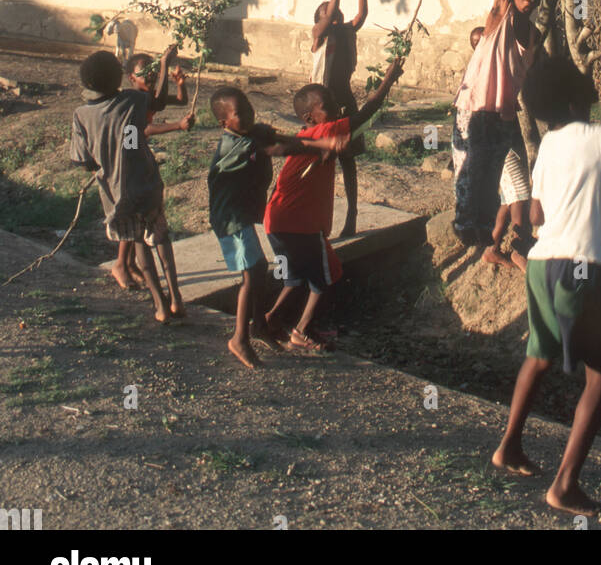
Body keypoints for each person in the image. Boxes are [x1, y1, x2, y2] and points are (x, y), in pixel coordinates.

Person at [492, 63, 601, 516]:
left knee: (539, 355)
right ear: (573, 101)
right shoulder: (600, 136)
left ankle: (509, 446)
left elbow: (534, 216)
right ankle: (564, 486)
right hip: (579, 268)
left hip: (541, 264)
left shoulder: (548, 143)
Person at [263, 56, 403, 350]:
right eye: (327, 106)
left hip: (280, 221)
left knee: (297, 278)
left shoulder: (310, 135)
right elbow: (367, 111)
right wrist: (388, 79)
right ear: (309, 118)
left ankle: (269, 320)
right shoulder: (322, 133)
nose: (337, 110)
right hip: (300, 225)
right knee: (325, 278)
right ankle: (301, 330)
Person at [208, 85, 348, 369]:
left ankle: (259, 325)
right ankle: (240, 339)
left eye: (248, 107)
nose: (248, 115)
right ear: (224, 123)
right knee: (253, 273)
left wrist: (325, 145)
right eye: (239, 113)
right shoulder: (234, 145)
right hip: (230, 217)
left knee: (259, 271)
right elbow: (280, 147)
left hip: (243, 214)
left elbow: (282, 137)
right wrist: (324, 144)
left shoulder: (252, 132)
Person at [71, 50, 178, 323]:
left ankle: (160, 305)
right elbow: (160, 102)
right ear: (121, 78)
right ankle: (177, 298)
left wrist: (104, 165)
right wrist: (164, 65)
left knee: (140, 243)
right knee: (161, 238)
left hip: (117, 195)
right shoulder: (132, 100)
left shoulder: (82, 115)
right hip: (147, 184)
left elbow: (82, 160)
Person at [452, 0, 540, 248]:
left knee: (492, 175)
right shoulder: (498, 17)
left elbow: (524, 75)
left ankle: (485, 231)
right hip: (474, 107)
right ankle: (464, 225)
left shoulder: (532, 35)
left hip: (503, 113)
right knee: (469, 168)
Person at [452, 24, 533, 271]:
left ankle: (493, 248)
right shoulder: (477, 76)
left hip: (503, 138)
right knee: (519, 191)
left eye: (482, 41)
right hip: (494, 142)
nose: (480, 45)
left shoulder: (497, 67)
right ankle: (521, 248)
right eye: (475, 43)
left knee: (510, 196)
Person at [118, 44, 195, 304]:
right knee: (134, 213)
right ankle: (121, 264)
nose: (151, 79)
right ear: (132, 79)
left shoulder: (148, 96)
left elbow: (177, 100)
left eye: (153, 74)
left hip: (137, 155)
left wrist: (180, 83)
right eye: (147, 75)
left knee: (135, 213)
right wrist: (163, 64)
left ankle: (128, 264)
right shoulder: (132, 99)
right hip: (128, 158)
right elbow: (146, 130)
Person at [310, 0, 369, 238]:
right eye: (327, 11)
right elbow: (332, 11)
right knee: (320, 163)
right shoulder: (319, 36)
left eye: (334, 11)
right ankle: (316, 220)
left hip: (344, 100)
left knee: (348, 161)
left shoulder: (345, 32)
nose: (334, 13)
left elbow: (362, 14)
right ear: (319, 19)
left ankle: (351, 216)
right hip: (322, 106)